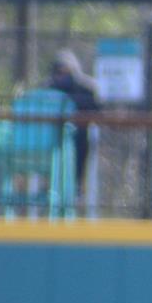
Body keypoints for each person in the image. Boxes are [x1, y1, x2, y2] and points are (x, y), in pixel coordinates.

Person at [49, 49, 102, 195]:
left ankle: (75, 184)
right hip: (51, 141)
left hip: (77, 137)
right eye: (59, 73)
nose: (63, 77)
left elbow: (97, 110)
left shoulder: (86, 89)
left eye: (67, 73)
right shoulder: (48, 90)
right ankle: (53, 184)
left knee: (80, 139)